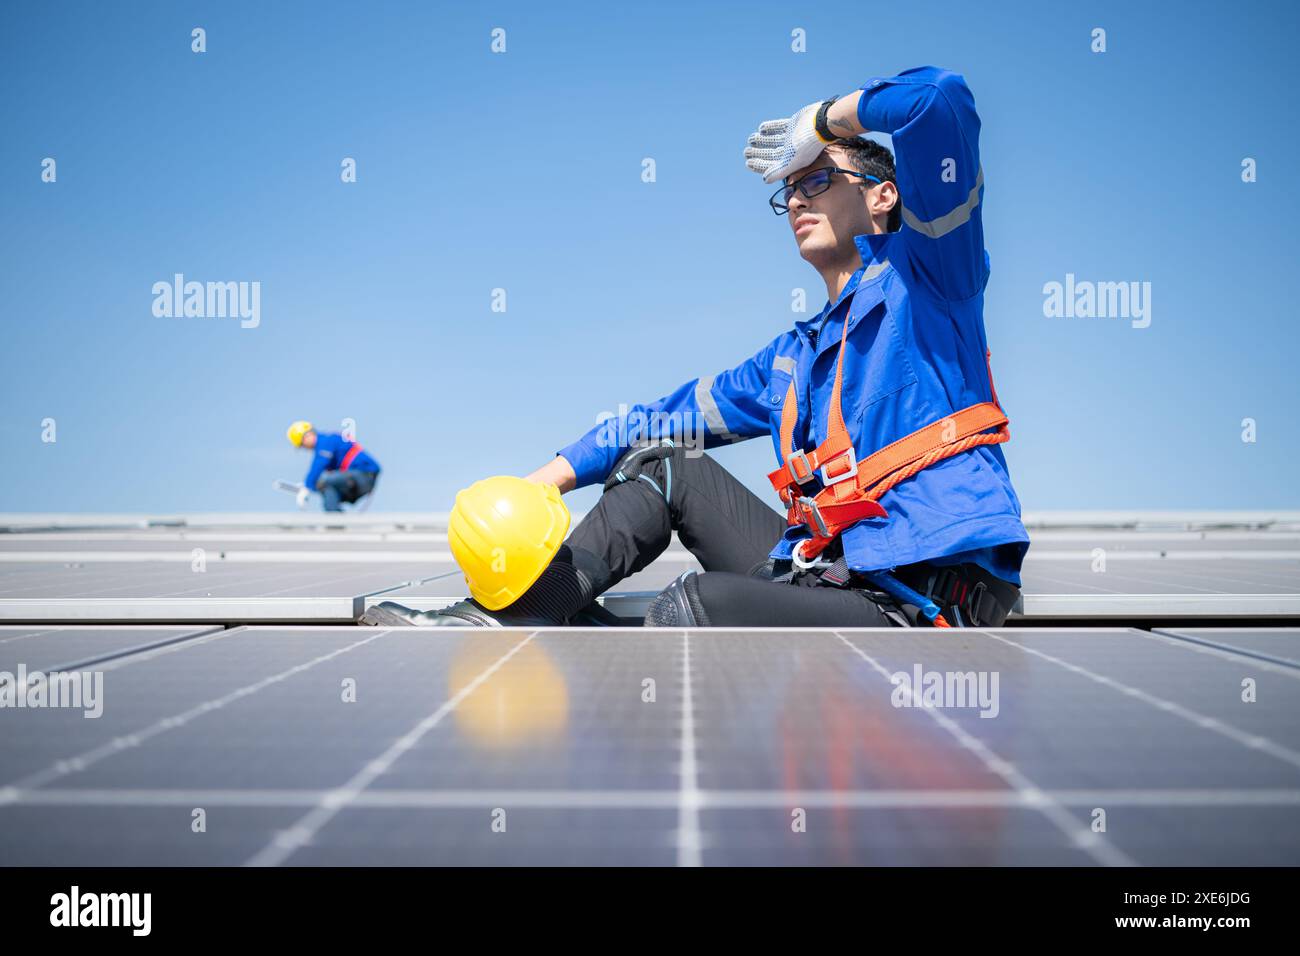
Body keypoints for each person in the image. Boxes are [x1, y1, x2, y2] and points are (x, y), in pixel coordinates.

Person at [367, 65, 1028, 628]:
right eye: (788, 190)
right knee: (665, 464)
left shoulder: (934, 278)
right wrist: (547, 481)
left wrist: (825, 121)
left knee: (695, 607)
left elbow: (937, 99)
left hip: (917, 600)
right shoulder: (789, 363)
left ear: (883, 195)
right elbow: (657, 420)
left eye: (818, 179)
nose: (796, 197)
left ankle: (573, 644)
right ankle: (523, 616)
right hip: (823, 580)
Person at [286, 421, 381, 512]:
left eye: (302, 445)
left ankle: (336, 521)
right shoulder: (325, 444)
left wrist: (307, 485)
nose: (304, 448)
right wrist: (309, 486)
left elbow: (319, 464)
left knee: (324, 482)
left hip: (364, 475)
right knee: (326, 488)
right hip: (356, 480)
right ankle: (336, 523)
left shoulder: (325, 441)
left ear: (306, 436)